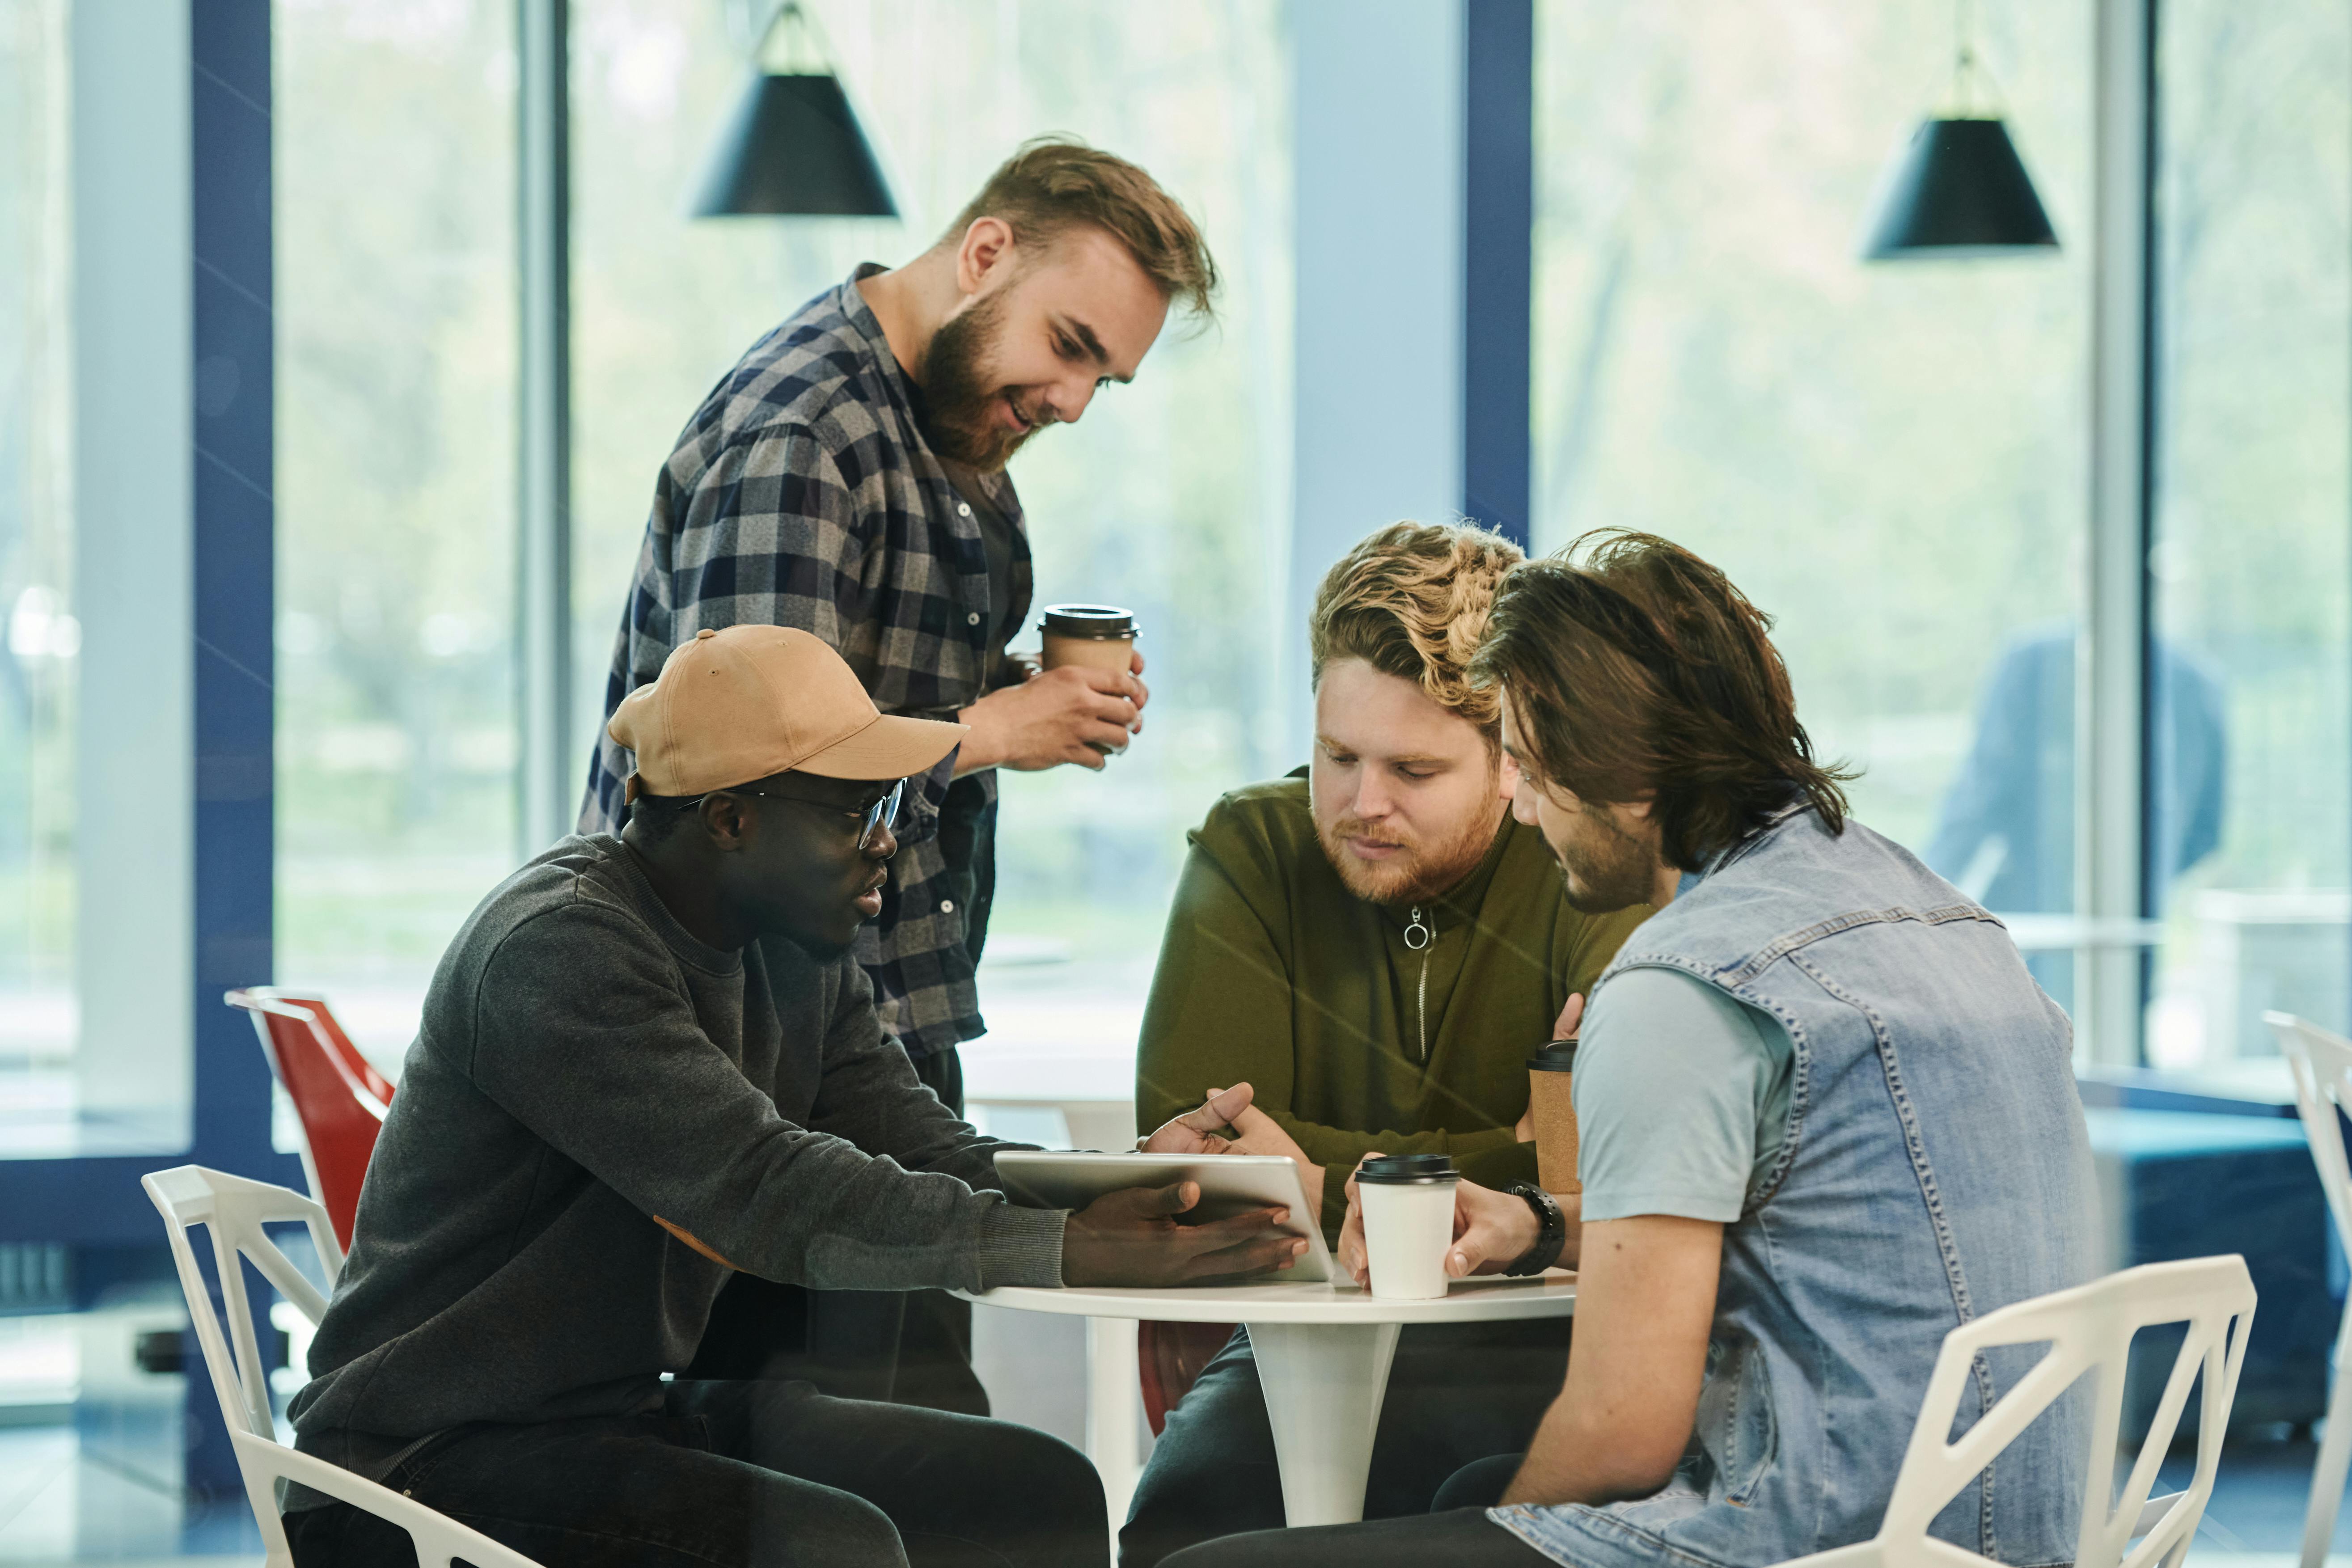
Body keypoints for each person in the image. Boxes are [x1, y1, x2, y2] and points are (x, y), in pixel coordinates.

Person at [1168, 530, 2097, 1568]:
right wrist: (1533, 1221)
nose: (1516, 799)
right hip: (2016, 1531)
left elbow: (1621, 1427)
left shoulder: (1682, 985)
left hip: (1808, 1538)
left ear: (1620, 770)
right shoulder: (1945, 922)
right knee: (1466, 1493)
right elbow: (1813, 1230)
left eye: (1525, 760)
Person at [285, 626, 1307, 1568]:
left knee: (1030, 1489)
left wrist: (1124, 1185)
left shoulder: (794, 951)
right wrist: (1070, 1246)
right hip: (411, 1465)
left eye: (901, 804)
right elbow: (763, 1191)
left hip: (618, 1411)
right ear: (730, 817)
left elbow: (928, 1149)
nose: (893, 839)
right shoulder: (559, 949)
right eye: (861, 809)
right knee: (828, 1548)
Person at [579, 136, 1217, 1414]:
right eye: (1072, 343)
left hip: (877, 1031)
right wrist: (999, 725)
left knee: (945, 1470)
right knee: (859, 1480)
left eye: (1109, 377)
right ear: (984, 252)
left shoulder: (956, 436)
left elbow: (887, 710)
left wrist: (1025, 699)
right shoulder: (803, 434)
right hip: (758, 1061)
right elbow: (746, 788)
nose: (1075, 401)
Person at [1121, 522, 1650, 1567]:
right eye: (1337, 756)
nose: (1362, 804)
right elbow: (1189, 1139)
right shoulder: (1253, 842)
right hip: (1297, 1330)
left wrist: (1308, 1166)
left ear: (1514, 761)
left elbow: (1604, 1164)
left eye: (1412, 767)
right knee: (1185, 1529)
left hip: (1539, 1325)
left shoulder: (1588, 859)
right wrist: (1496, 1153)